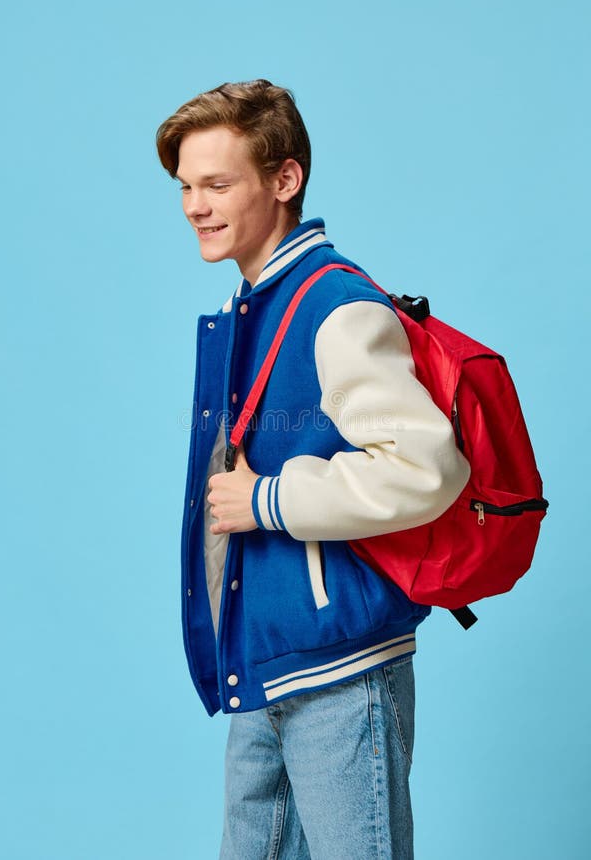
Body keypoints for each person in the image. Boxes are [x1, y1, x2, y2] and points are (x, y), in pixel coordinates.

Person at [156, 79, 470, 860]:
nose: (196, 204)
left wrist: (267, 498)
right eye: (186, 187)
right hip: (262, 661)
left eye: (218, 183)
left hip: (339, 663)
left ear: (285, 179)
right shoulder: (252, 305)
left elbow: (427, 467)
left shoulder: (336, 307)